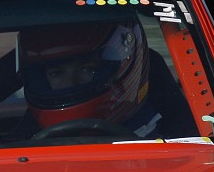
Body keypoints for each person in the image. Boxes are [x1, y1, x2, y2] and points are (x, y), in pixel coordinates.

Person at [14, 18, 196, 140]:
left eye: (87, 69)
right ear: (40, 80)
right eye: (56, 73)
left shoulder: (179, 140)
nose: (71, 83)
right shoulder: (21, 144)